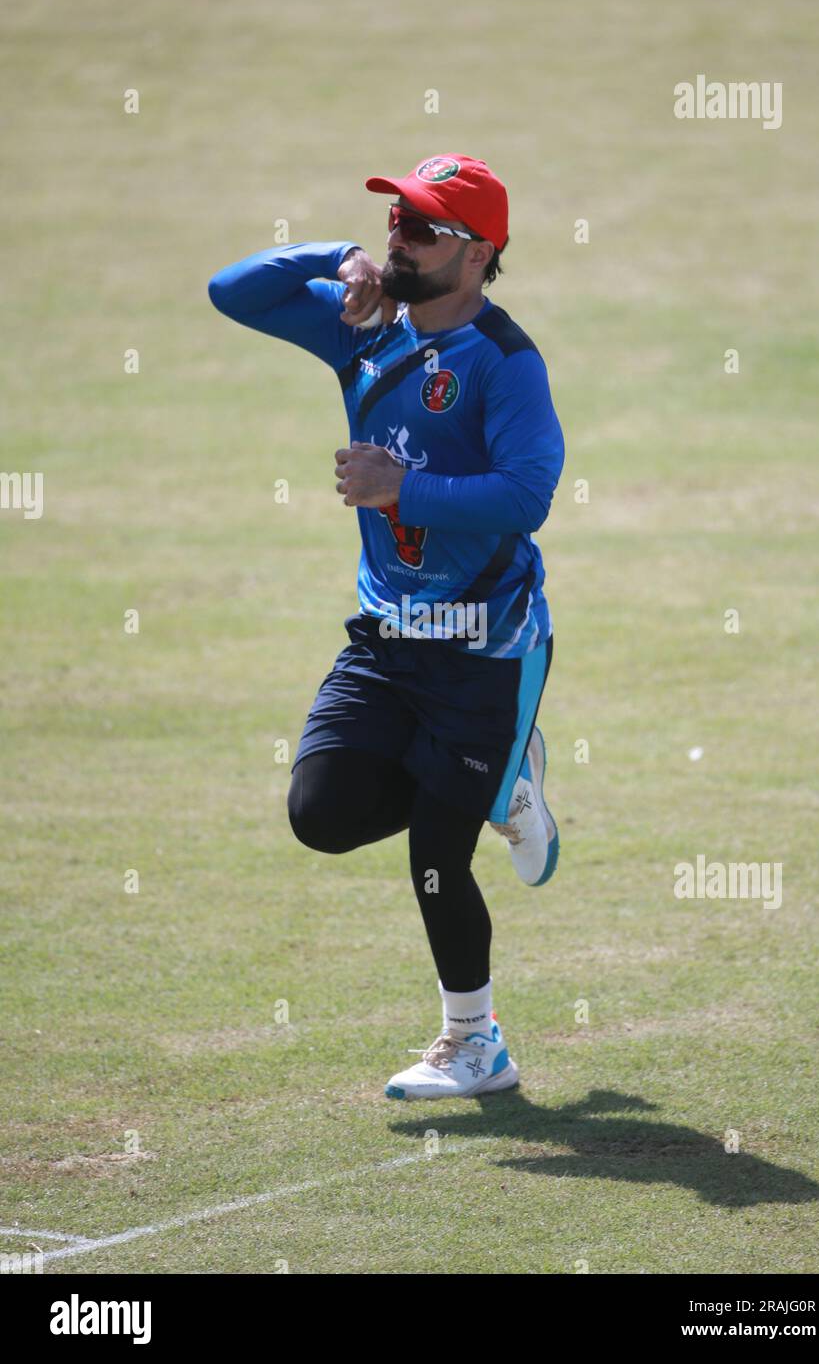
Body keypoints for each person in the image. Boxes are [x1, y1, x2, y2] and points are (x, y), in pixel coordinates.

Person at [208, 154, 565, 1101]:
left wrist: (401, 486)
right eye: (396, 219)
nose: (400, 237)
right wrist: (340, 255)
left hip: (485, 646)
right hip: (385, 636)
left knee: (437, 860)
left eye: (421, 228)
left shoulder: (506, 361)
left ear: (480, 253)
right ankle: (497, 782)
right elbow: (229, 291)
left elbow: (528, 495)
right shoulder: (362, 327)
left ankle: (475, 1043)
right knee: (320, 817)